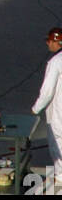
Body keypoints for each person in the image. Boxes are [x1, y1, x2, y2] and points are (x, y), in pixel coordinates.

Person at [32, 26, 62, 186]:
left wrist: (35, 109)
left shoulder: (55, 62)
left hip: (58, 114)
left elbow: (47, 91)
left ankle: (60, 180)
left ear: (56, 42)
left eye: (49, 41)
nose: (47, 44)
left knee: (57, 145)